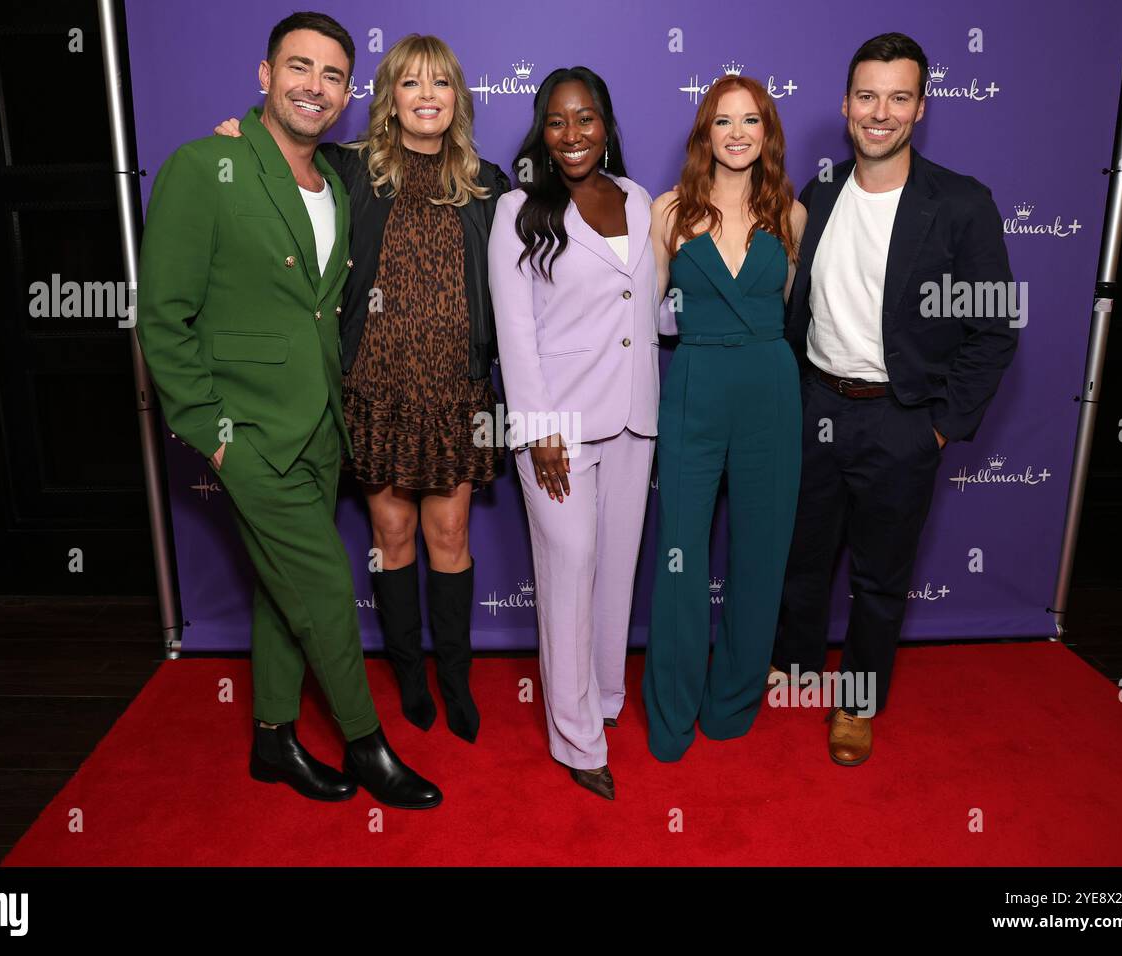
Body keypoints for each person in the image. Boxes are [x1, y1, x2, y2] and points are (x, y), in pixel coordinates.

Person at [136, 11, 440, 808]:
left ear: (346, 95)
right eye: (299, 68)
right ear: (265, 75)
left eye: (333, 75)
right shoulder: (206, 167)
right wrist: (213, 435)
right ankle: (369, 747)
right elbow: (162, 316)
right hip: (248, 435)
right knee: (325, 588)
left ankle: (271, 739)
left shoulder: (335, 183)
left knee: (279, 592)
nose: (315, 86)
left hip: (319, 429)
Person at [217, 34, 509, 743]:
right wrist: (233, 138)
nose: (428, 96)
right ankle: (410, 675)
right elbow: (272, 167)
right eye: (412, 84)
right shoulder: (350, 169)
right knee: (394, 533)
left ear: (457, 99)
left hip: (456, 392)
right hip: (374, 387)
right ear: (391, 99)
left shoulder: (489, 181)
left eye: (440, 83)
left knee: (450, 535)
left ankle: (456, 680)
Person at [774, 32, 1018, 766]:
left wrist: (938, 428)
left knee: (881, 578)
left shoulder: (961, 204)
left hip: (900, 420)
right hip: (816, 406)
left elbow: (995, 329)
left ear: (920, 108)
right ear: (847, 104)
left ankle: (856, 705)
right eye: (868, 96)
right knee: (802, 558)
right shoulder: (816, 194)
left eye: (898, 97)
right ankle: (794, 672)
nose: (880, 113)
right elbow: (793, 312)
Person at [489, 67, 659, 799]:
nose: (573, 134)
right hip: (557, 427)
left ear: (607, 123)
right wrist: (538, 429)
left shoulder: (641, 200)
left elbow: (647, 308)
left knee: (616, 571)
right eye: (557, 121)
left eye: (586, 118)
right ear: (542, 130)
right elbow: (515, 332)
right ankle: (575, 736)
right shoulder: (520, 210)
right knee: (571, 566)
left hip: (632, 419)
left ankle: (605, 701)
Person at [642, 74, 807, 764]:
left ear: (766, 133)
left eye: (751, 121)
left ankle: (733, 702)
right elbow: (647, 319)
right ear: (704, 133)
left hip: (770, 389)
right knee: (680, 557)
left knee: (762, 555)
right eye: (722, 121)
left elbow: (789, 310)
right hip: (695, 386)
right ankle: (672, 712)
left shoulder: (791, 217)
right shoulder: (668, 212)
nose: (737, 134)